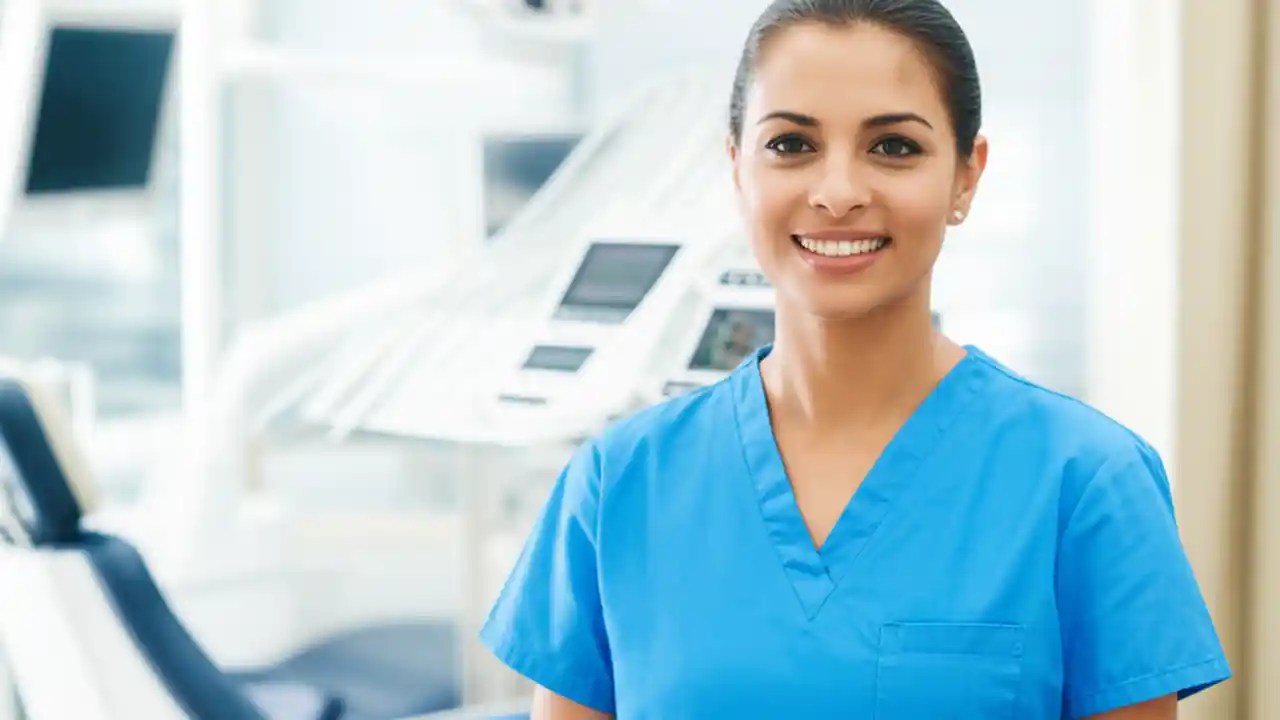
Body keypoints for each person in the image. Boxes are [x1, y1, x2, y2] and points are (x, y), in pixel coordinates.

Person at [479, 1, 1231, 717]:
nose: (837, 193)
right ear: (738, 167)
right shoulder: (618, 486)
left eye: (893, 147)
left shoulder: (1086, 482)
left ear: (967, 175)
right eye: (791, 145)